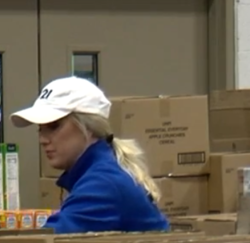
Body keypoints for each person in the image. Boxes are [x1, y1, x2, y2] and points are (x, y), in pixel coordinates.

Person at [10, 76, 170, 233]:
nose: (42, 139)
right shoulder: (102, 173)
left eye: (53, 127)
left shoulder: (103, 184)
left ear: (89, 127)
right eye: (40, 129)